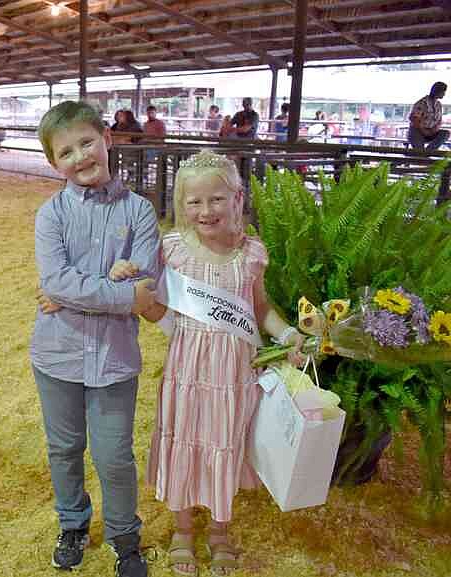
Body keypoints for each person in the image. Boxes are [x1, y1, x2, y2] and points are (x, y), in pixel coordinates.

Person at [127, 150, 304, 576]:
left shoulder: (252, 254)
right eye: (194, 202)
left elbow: (260, 309)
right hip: (187, 368)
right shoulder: (172, 250)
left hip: (236, 371)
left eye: (217, 199)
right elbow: (149, 296)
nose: (206, 210)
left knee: (227, 442)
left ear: (237, 198)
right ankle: (182, 530)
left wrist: (289, 335)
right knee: (185, 440)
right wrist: (127, 282)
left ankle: (220, 531)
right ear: (181, 204)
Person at [32, 100, 160, 577]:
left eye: (86, 142)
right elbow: (55, 281)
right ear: (54, 162)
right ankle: (73, 524)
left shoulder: (140, 211)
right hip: (57, 355)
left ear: (107, 138)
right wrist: (113, 289)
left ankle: (125, 534)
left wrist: (71, 292)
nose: (80, 156)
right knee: (63, 449)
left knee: (114, 455)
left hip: (114, 359)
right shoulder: (51, 216)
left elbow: (146, 287)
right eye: (66, 151)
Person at [408, 81, 449, 151]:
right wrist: (424, 131)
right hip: (418, 131)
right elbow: (414, 119)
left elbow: (439, 121)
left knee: (445, 133)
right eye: (443, 92)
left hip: (431, 132)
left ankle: (428, 152)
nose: (444, 94)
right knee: (419, 150)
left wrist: (434, 130)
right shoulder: (422, 102)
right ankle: (422, 154)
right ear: (438, 91)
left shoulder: (438, 105)